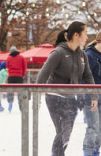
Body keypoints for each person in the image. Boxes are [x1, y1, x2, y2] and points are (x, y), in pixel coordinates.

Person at [36, 21, 96, 156]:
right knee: (62, 131)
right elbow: (42, 76)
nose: (87, 37)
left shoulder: (82, 55)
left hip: (70, 98)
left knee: (65, 133)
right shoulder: (58, 53)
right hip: (54, 97)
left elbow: (88, 77)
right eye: (85, 33)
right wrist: (37, 97)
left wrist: (94, 96)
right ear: (76, 35)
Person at [83, 28, 101, 156]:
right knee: (93, 127)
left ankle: (96, 151)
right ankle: (88, 152)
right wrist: (90, 94)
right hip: (91, 97)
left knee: (100, 127)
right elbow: (85, 77)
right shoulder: (89, 55)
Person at [6, 45, 27, 112]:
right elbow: (24, 67)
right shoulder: (21, 57)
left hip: (11, 76)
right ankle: (21, 106)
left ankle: (10, 103)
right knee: (20, 92)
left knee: (10, 91)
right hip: (19, 77)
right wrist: (22, 74)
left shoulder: (8, 58)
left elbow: (7, 67)